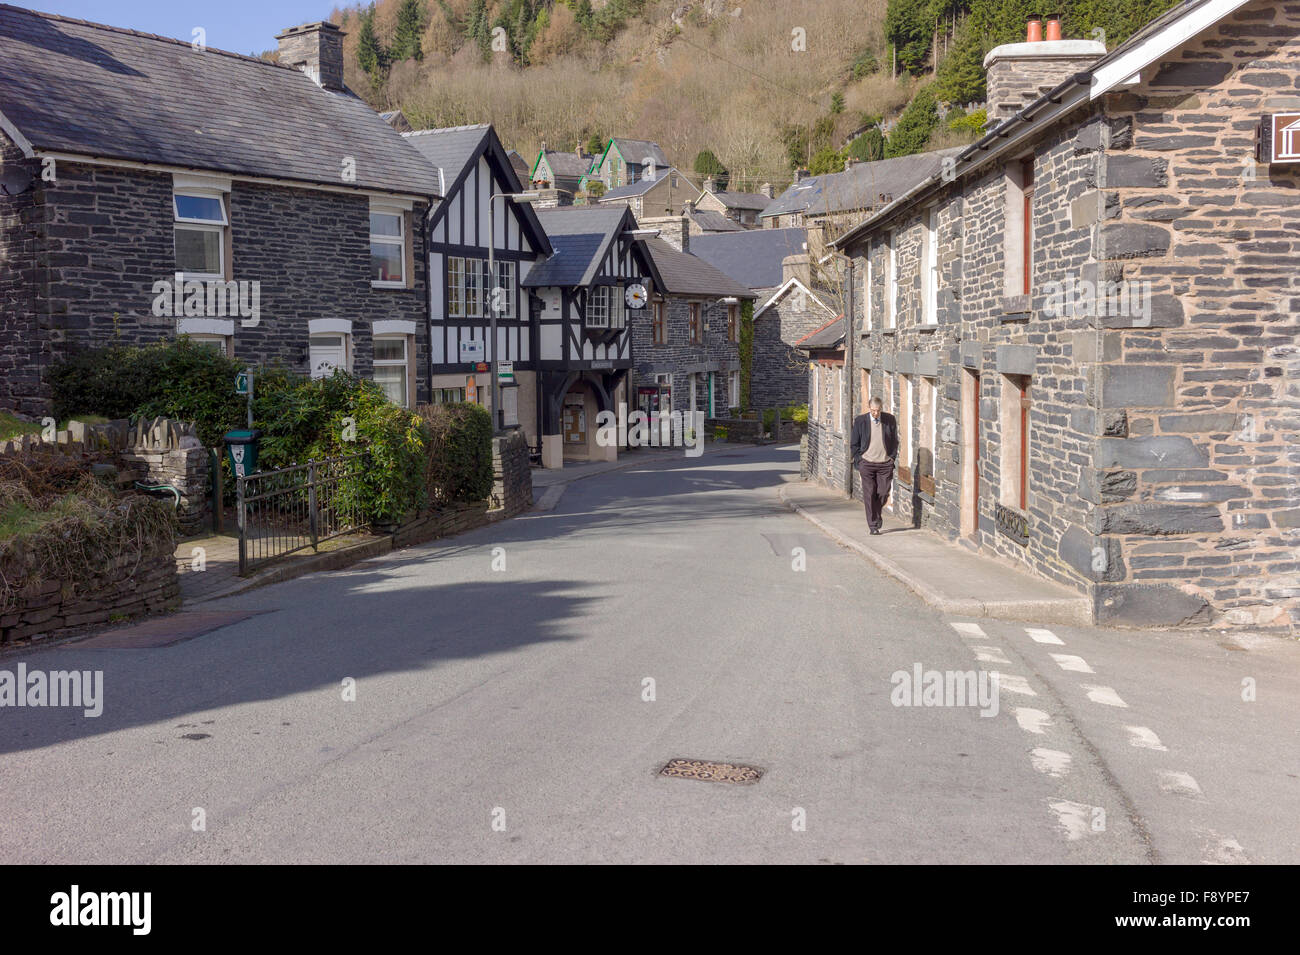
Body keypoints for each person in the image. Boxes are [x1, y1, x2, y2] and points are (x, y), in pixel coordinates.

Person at [850, 397, 898, 535]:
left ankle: (877, 514)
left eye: (877, 411)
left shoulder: (889, 420)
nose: (875, 413)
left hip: (885, 463)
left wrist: (892, 458)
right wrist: (859, 460)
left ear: (881, 408)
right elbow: (854, 443)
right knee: (869, 493)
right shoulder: (860, 421)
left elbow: (894, 441)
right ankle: (873, 525)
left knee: (883, 492)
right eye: (872, 411)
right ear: (869, 408)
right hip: (867, 463)